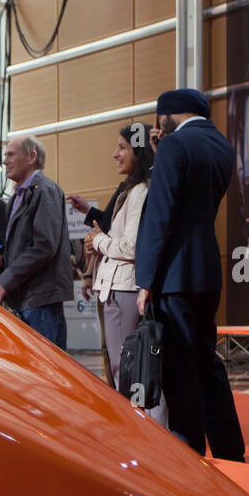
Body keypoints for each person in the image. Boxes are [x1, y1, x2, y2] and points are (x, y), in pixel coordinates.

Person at [134, 88, 245, 460]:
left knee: (179, 368)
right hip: (206, 272)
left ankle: (188, 451)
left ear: (169, 116)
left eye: (158, 119)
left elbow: (162, 215)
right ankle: (230, 451)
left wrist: (146, 279)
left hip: (174, 275)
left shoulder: (174, 147)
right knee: (207, 363)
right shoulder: (220, 145)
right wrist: (159, 155)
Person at [84, 125, 158, 410]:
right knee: (127, 371)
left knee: (125, 371)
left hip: (122, 288)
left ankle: (137, 443)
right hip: (118, 288)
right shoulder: (135, 189)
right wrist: (100, 241)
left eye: (123, 147)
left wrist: (99, 240)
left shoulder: (140, 191)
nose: (115, 154)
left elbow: (130, 247)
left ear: (138, 152)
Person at [0, 135, 74, 349]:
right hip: (26, 298)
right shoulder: (17, 197)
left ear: (31, 156)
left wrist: (6, 278)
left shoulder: (44, 190)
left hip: (40, 299)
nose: (5, 161)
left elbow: (44, 246)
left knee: (46, 373)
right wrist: (4, 259)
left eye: (10, 154)